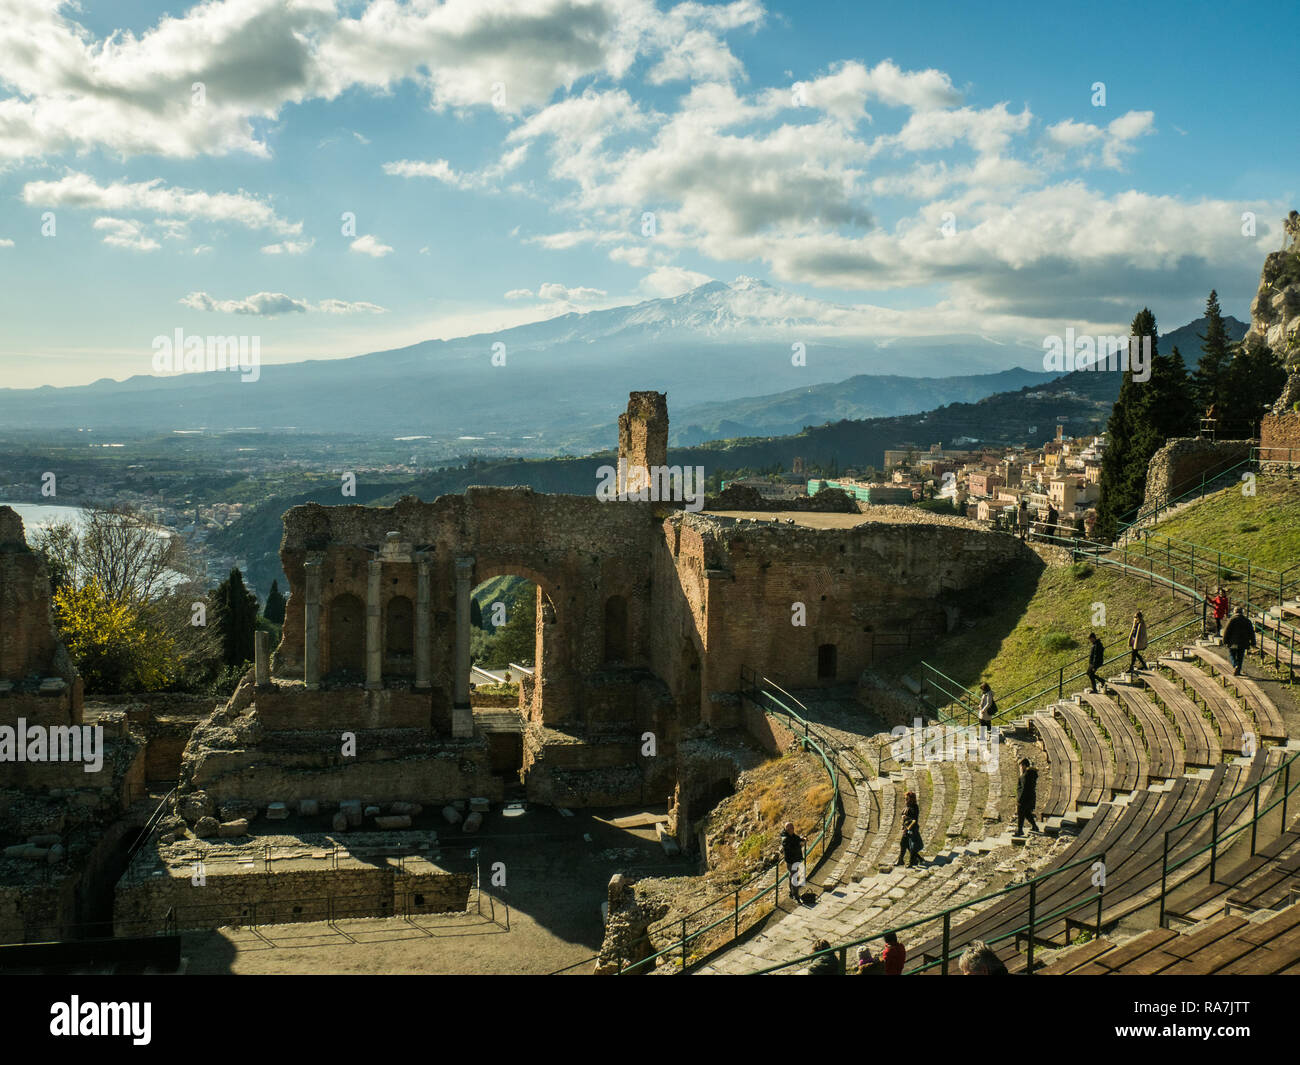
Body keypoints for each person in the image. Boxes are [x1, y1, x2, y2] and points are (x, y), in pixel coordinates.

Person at [1223, 607, 1258, 676]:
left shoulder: (1231, 620)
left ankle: (1235, 665)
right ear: (1242, 612)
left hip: (1232, 642)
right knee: (1240, 656)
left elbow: (1226, 631)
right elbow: (1251, 632)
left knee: (1232, 654)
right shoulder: (1247, 621)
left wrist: (1225, 641)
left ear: (1234, 612)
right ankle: (1238, 669)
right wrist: (1253, 642)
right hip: (1243, 642)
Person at [896, 792, 923, 867]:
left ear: (911, 799)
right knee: (903, 844)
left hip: (912, 829)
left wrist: (906, 818)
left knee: (912, 846)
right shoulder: (907, 806)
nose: (905, 800)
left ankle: (912, 862)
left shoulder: (914, 807)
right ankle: (900, 860)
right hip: (906, 829)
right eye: (905, 798)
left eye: (907, 798)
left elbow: (914, 819)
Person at [780, 821, 805, 901]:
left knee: (792, 875)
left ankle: (792, 893)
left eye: (793, 827)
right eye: (791, 828)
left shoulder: (790, 836)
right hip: (791, 860)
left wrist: (802, 839)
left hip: (794, 859)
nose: (792, 829)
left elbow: (796, 838)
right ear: (787, 829)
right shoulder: (785, 839)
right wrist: (799, 844)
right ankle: (796, 895)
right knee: (794, 877)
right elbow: (790, 848)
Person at [1016, 757, 1039, 836]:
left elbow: (1023, 789)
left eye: (1021, 766)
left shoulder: (1025, 776)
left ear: (1024, 766)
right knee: (1027, 813)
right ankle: (1034, 826)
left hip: (1024, 799)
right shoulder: (1031, 774)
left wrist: (1019, 800)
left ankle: (1019, 830)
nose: (1020, 768)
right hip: (1031, 798)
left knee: (1021, 813)